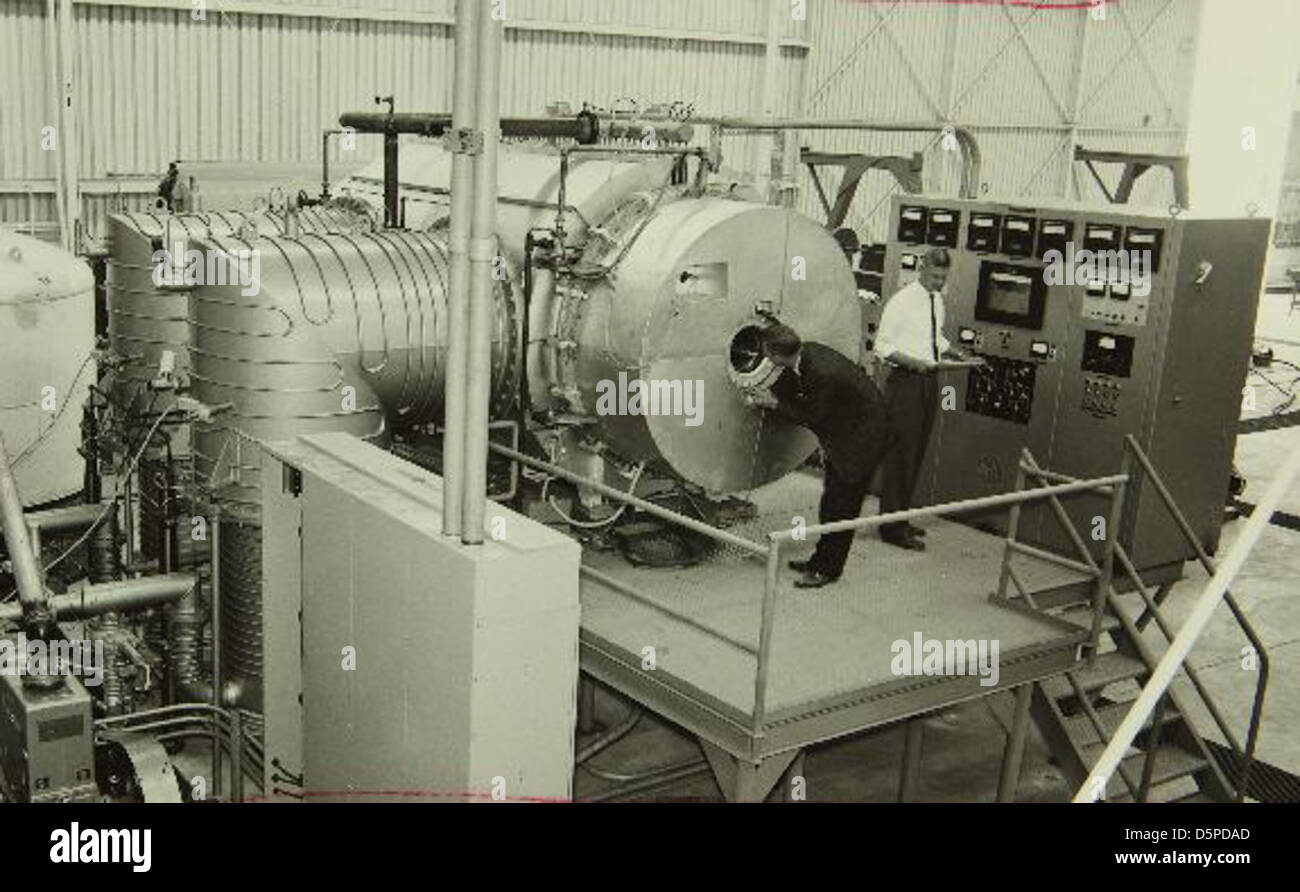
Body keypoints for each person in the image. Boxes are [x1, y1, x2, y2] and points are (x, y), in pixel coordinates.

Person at [748, 324, 894, 589]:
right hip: (850, 432)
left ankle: (828, 570)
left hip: (861, 441)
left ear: (777, 356)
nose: (764, 358)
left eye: (766, 353)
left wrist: (774, 404)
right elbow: (800, 390)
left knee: (842, 508)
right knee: (831, 503)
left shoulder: (821, 373)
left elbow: (813, 417)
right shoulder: (807, 353)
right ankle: (821, 560)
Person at [874, 246, 981, 551]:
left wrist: (957, 352)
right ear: (921, 269)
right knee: (901, 455)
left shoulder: (936, 300)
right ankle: (891, 527)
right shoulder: (902, 301)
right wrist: (911, 362)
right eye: (934, 276)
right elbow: (882, 346)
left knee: (917, 450)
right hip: (906, 383)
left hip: (929, 381)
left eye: (943, 277)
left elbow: (933, 339)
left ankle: (900, 518)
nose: (938, 282)